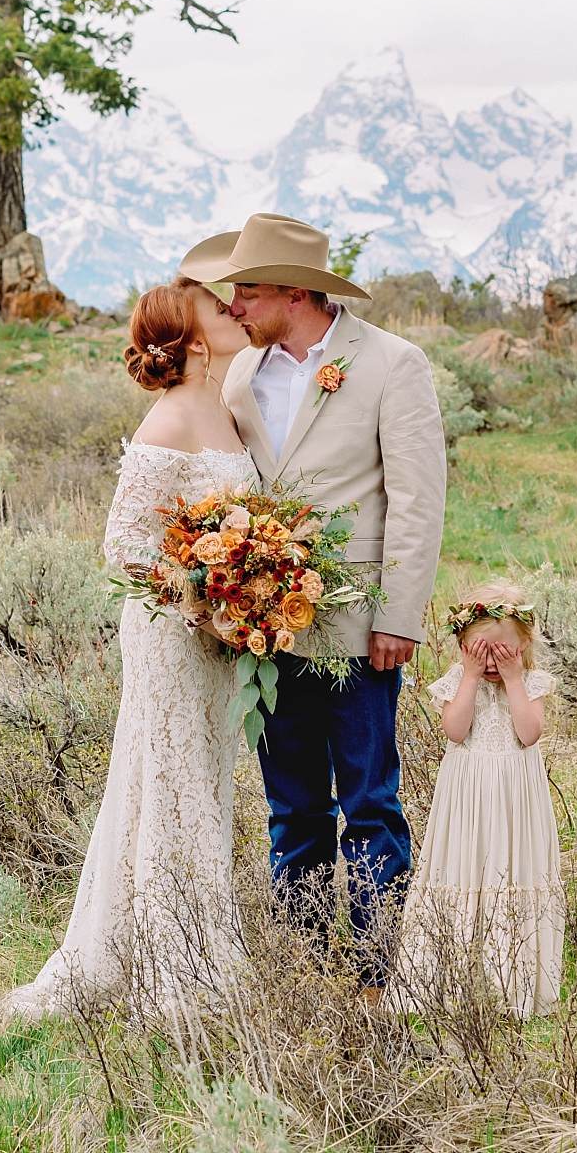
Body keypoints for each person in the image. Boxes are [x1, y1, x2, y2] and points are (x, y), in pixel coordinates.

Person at [178, 212, 446, 996]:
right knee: (291, 807)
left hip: (362, 627)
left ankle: (375, 971)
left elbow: (417, 499)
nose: (233, 306)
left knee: (370, 799)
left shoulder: (393, 363)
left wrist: (399, 614)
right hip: (266, 629)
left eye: (247, 291)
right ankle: (301, 966)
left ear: (295, 293)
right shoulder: (240, 375)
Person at [4, 277, 254, 1018]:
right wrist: (201, 608)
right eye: (219, 308)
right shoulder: (170, 420)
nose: (234, 311)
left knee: (202, 771)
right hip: (172, 631)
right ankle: (177, 968)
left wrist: (250, 595)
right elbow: (125, 546)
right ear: (194, 336)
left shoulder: (226, 407)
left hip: (218, 632)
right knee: (169, 773)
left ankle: (181, 940)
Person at [394, 581, 562, 1020]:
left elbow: (529, 734)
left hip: (514, 797)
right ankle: (456, 974)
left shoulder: (529, 682)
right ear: (464, 647)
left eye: (503, 653)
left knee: (510, 871)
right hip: (467, 797)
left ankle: (515, 981)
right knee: (465, 869)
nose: (491, 663)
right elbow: (455, 729)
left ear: (523, 646)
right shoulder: (460, 679)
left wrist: (513, 680)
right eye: (481, 653)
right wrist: (468, 676)